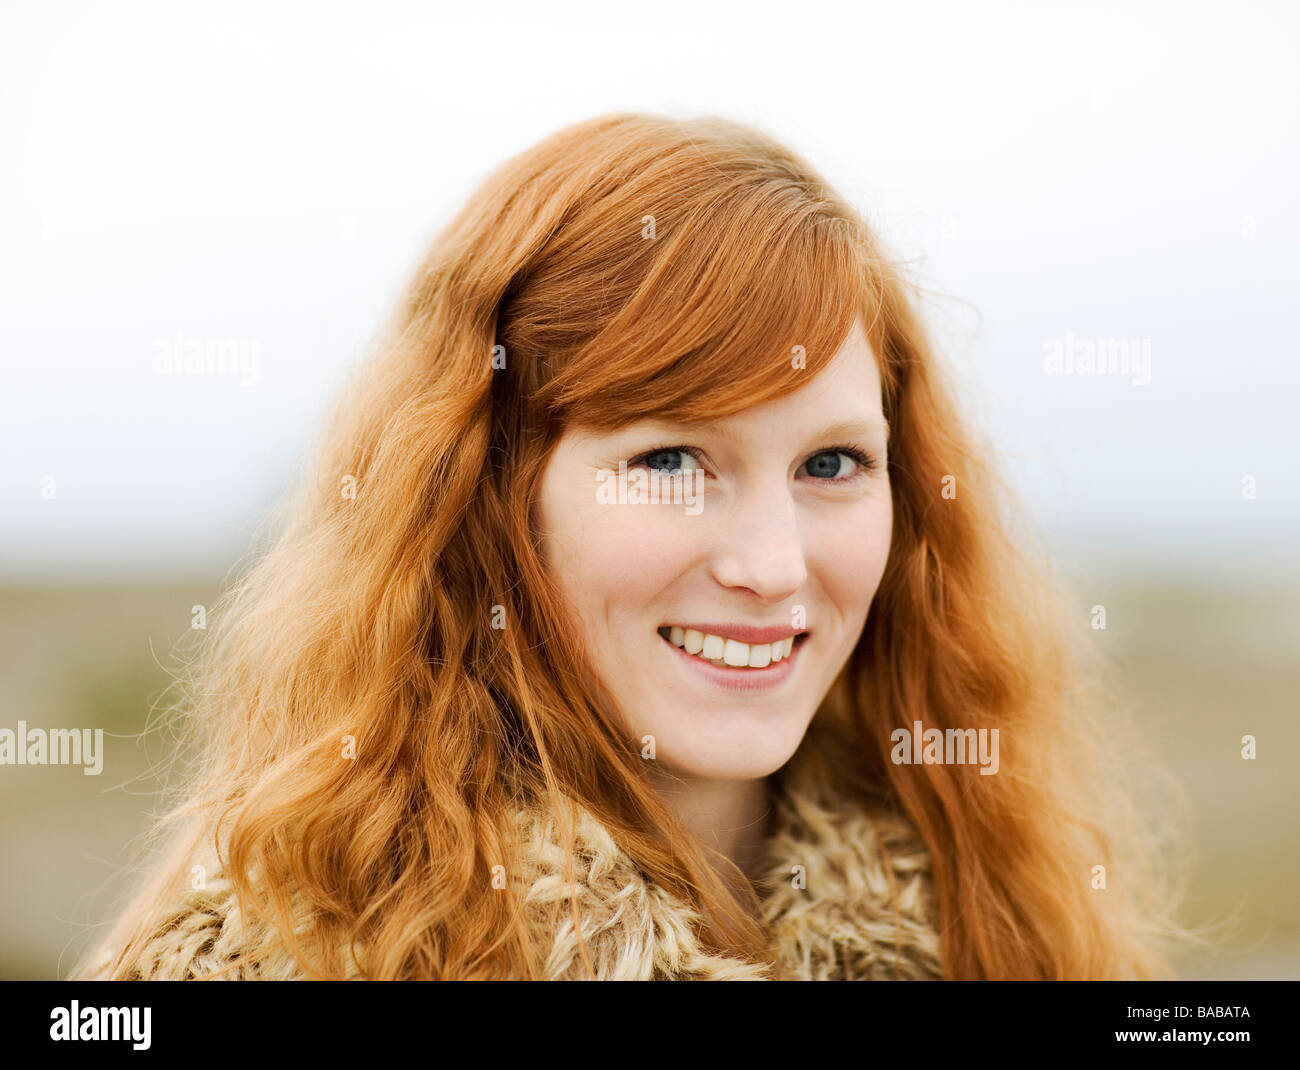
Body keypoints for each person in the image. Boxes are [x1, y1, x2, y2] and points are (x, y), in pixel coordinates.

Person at [74, 112, 1184, 981]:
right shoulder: (278, 956)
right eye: (672, 460)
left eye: (832, 463)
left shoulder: (997, 912)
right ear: (485, 492)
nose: (773, 566)